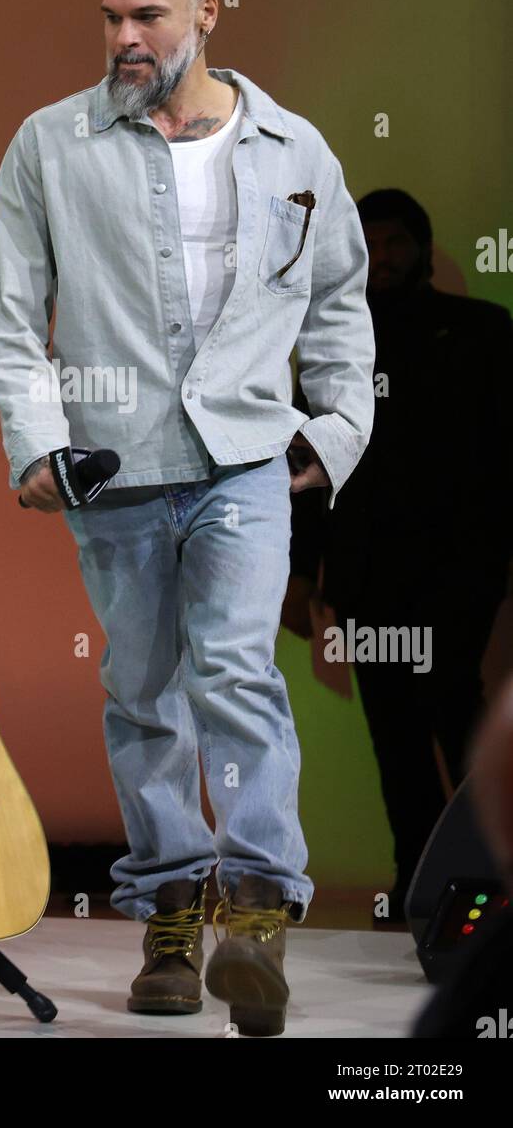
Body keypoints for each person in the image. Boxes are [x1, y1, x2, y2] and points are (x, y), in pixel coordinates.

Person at [0, 0, 375, 1036]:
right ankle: (166, 912)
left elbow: (337, 301)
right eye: (110, 15)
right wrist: (35, 440)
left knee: (236, 674)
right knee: (143, 690)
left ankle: (252, 915)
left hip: (245, 459)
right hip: (114, 464)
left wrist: (335, 425)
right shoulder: (51, 144)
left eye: (147, 14)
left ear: (209, 9)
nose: (124, 36)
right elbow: (10, 316)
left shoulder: (293, 148)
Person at [283, 189, 513, 925]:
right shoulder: (331, 345)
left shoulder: (482, 332)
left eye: (395, 245)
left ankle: (488, 883)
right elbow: (304, 469)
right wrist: (298, 572)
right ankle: (419, 889)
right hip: (368, 575)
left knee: (457, 715)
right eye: (369, 245)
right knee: (395, 737)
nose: (381, 260)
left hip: (459, 570)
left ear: (421, 247)